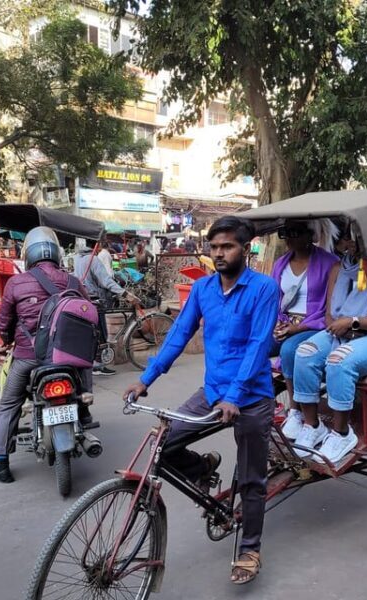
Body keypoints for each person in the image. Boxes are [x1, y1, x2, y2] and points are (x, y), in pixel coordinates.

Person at [124, 216, 278, 585]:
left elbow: (258, 347)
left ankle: (250, 549)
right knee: (165, 443)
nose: (219, 253)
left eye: (227, 246)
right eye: (214, 247)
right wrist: (146, 379)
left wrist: (235, 397)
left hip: (251, 397)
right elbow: (178, 335)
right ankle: (201, 469)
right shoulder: (204, 289)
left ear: (246, 250)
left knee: (252, 480)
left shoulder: (264, 289)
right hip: (211, 393)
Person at [291, 226, 367, 464]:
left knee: (339, 360)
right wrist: (339, 327)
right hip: (341, 330)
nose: (350, 243)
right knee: (304, 352)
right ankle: (312, 424)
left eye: (356, 237)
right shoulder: (339, 266)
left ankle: (341, 433)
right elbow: (328, 313)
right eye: (347, 237)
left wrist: (353, 323)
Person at [0, 226, 92, 484]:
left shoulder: (16, 283)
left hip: (28, 358)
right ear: (57, 255)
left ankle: (2, 464)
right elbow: (87, 314)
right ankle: (84, 410)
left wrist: (7, 340)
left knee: (8, 404)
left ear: (29, 255)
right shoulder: (73, 282)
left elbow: (3, 323)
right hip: (68, 359)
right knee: (84, 375)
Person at [271, 220, 338, 439]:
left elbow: (332, 307)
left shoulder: (330, 263)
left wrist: (298, 328)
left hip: (315, 325)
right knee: (253, 343)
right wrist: (276, 325)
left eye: (296, 232)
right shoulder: (280, 263)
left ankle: (295, 411)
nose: (290, 238)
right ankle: (258, 400)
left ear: (311, 236)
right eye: (285, 233)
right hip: (284, 323)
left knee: (290, 350)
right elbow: (275, 299)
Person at [74, 243, 140, 377]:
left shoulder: (78, 258)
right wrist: (125, 294)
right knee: (101, 331)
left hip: (83, 297)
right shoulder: (93, 259)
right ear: (95, 246)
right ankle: (98, 364)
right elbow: (106, 281)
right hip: (95, 299)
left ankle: (93, 362)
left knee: (93, 331)